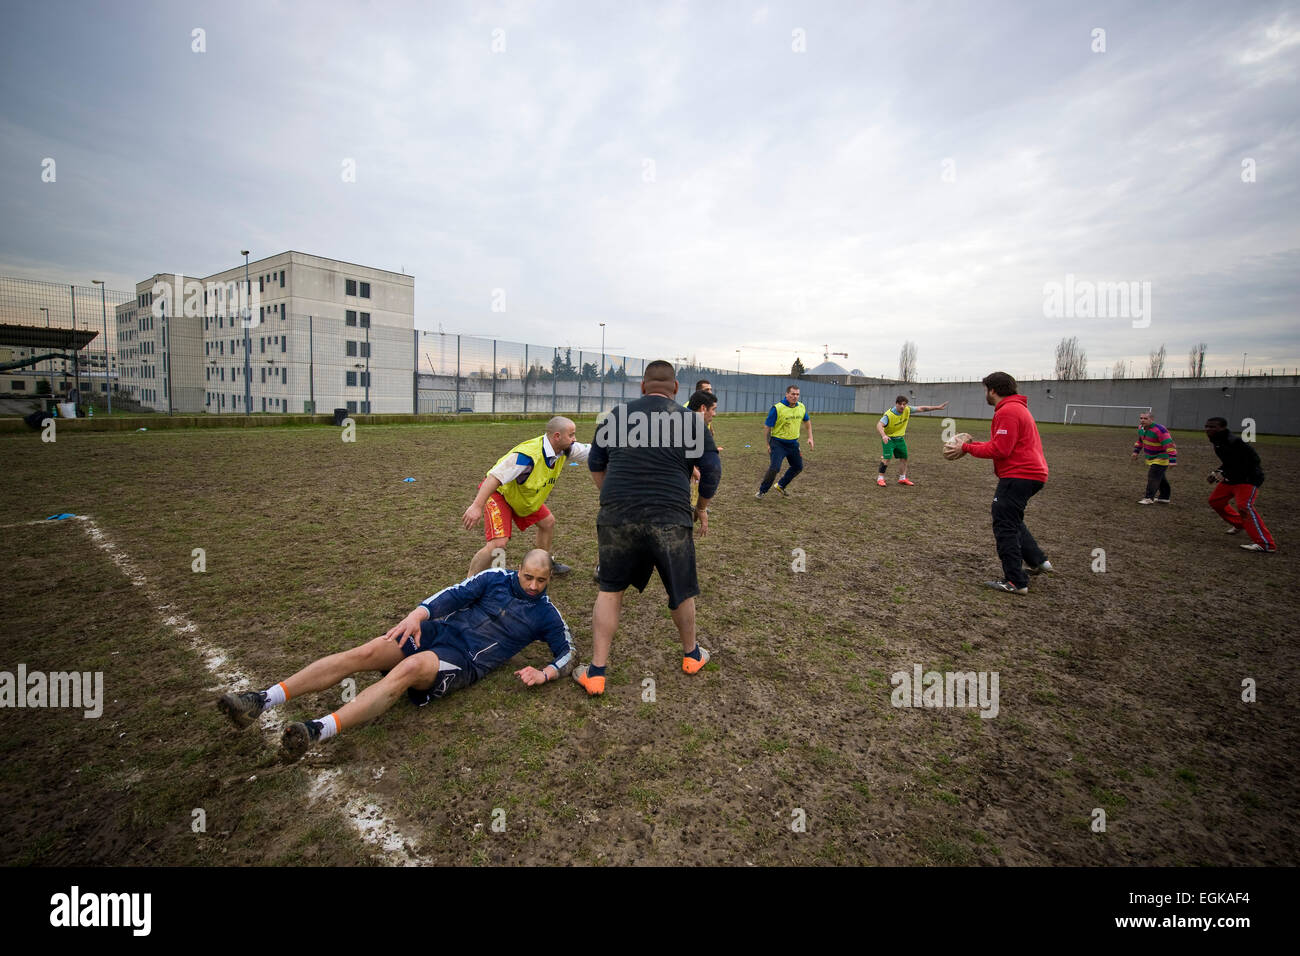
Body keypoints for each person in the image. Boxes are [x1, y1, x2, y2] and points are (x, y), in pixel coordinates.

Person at [217, 550, 576, 759]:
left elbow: (568, 651)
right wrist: (418, 614)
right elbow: (453, 593)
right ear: (520, 570)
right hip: (438, 631)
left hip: (464, 660)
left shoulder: (547, 615)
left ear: (549, 580)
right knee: (368, 650)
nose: (532, 586)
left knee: (409, 668)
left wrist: (545, 673)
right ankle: (263, 699)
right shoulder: (496, 578)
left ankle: (317, 730)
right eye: (528, 577)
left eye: (541, 581)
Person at [574, 361, 721, 696]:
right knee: (680, 589)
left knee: (610, 590)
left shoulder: (614, 416)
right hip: (670, 515)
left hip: (618, 516)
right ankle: (691, 656)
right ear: (676, 390)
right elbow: (711, 471)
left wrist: (615, 498)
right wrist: (701, 509)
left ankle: (596, 673)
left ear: (642, 387)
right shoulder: (691, 421)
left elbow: (596, 464)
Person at [947, 372, 1052, 594]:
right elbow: (1002, 443)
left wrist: (965, 448)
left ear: (993, 390)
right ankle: (1038, 561)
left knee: (1004, 523)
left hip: (1020, 474)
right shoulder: (1016, 408)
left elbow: (1000, 450)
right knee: (1011, 518)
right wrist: (975, 444)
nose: (985, 394)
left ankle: (1015, 581)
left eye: (986, 389)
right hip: (1030, 474)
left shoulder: (1008, 411)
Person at [461, 416, 589, 577]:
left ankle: (542, 564)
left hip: (522, 497)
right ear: (557, 436)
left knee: (547, 523)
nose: (574, 439)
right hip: (500, 494)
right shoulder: (527, 456)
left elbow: (592, 451)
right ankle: (469, 582)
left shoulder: (564, 449)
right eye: (571, 435)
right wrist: (476, 506)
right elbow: (493, 478)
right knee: (498, 544)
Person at [1204, 417, 1275, 552]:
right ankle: (1238, 524)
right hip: (1233, 477)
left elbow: (1253, 460)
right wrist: (1217, 472)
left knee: (1244, 507)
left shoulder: (1235, 442)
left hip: (1248, 479)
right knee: (1216, 502)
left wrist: (1226, 473)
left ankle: (1266, 544)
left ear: (1222, 428)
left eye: (1212, 427)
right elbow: (1230, 461)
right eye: (1207, 426)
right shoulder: (1217, 441)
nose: (1208, 429)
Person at [875, 395, 949, 486]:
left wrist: (937, 407)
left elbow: (922, 408)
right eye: (900, 404)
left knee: (904, 458)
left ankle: (902, 478)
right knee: (887, 458)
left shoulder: (907, 409)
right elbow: (879, 425)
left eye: (904, 404)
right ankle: (880, 479)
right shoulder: (889, 415)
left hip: (900, 439)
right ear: (896, 404)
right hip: (889, 439)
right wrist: (884, 436)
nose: (902, 406)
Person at [755, 384, 813, 499]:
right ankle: (762, 490)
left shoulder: (801, 407)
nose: (795, 397)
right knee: (774, 468)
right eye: (792, 394)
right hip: (778, 444)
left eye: (797, 394)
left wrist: (810, 437)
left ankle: (781, 485)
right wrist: (768, 444)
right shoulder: (777, 408)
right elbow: (767, 427)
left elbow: (807, 422)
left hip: (793, 444)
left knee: (798, 467)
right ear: (787, 394)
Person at [1132, 411, 1177, 504]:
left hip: (1161, 457)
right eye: (1141, 418)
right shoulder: (1141, 428)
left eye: (1145, 418)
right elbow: (1140, 441)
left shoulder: (1160, 429)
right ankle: (1164, 497)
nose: (1142, 420)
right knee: (1160, 477)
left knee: (1153, 476)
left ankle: (1149, 498)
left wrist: (1172, 460)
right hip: (1151, 457)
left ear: (1151, 419)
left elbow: (1169, 444)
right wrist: (1136, 452)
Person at [687, 388, 720, 508]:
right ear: (703, 408)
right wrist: (701, 508)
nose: (715, 414)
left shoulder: (683, 417)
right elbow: (713, 470)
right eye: (713, 410)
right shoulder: (692, 424)